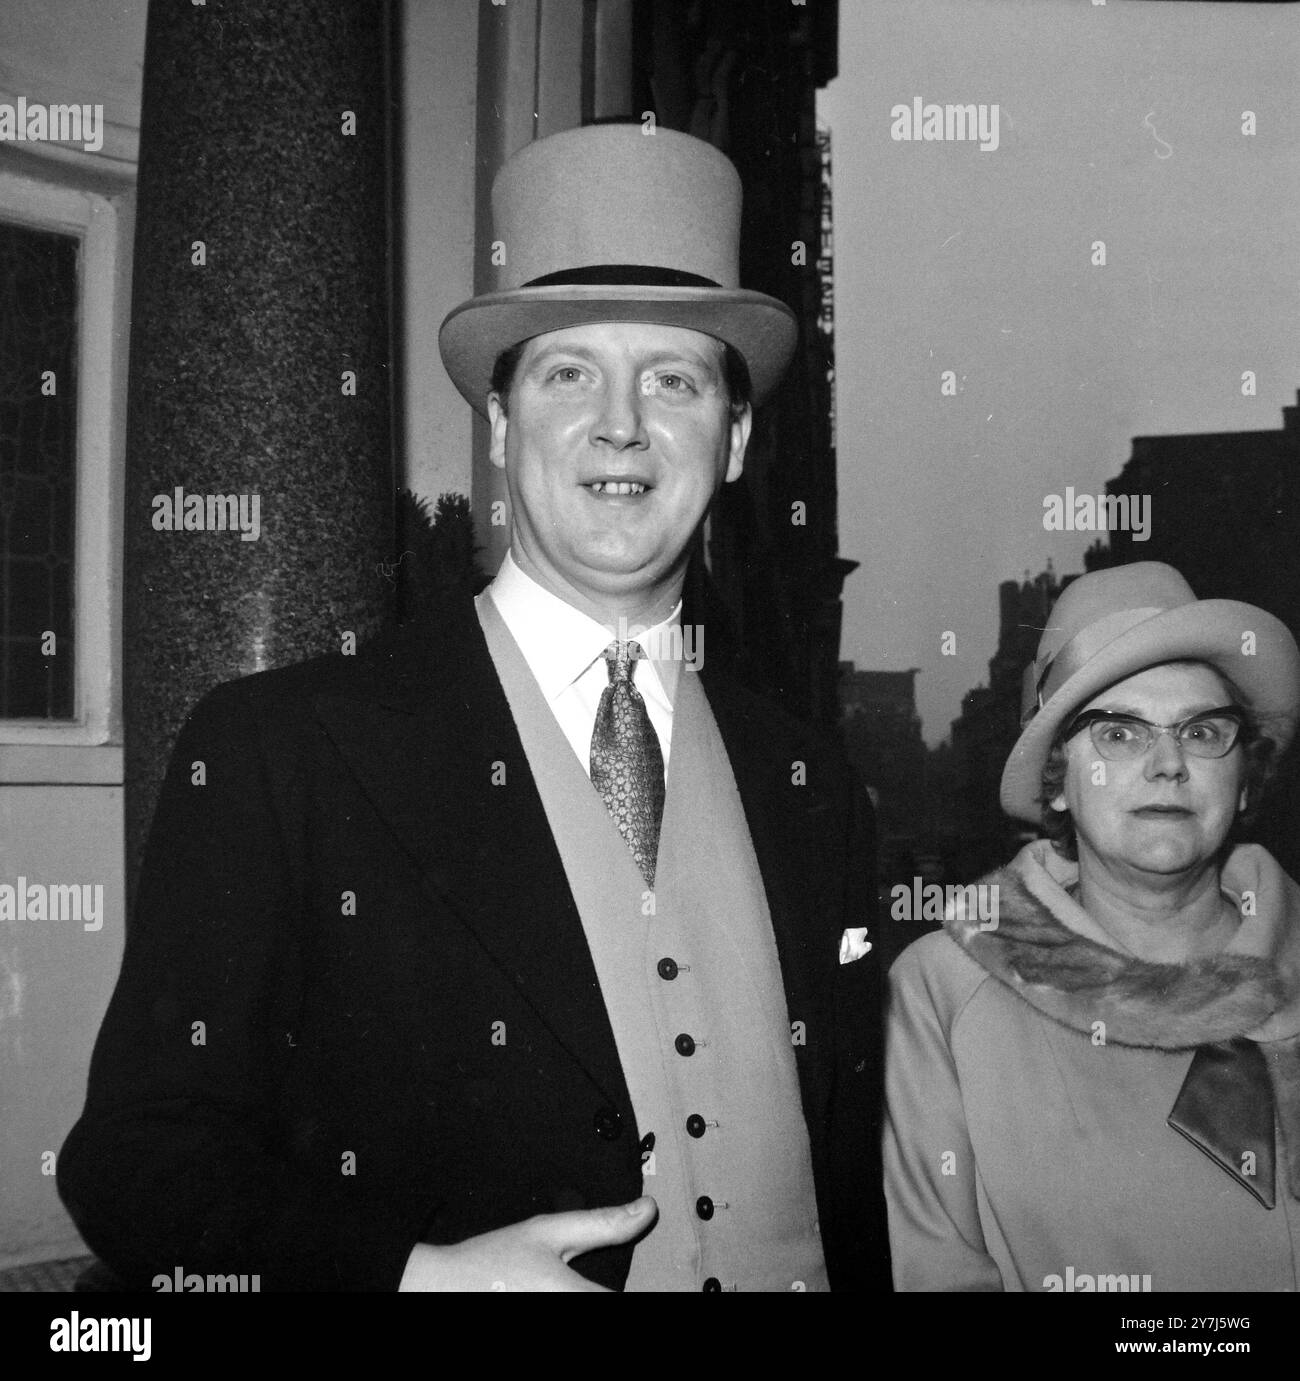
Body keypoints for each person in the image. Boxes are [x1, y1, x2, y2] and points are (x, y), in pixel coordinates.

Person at [59, 124, 889, 1292]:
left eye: (674, 378)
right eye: (567, 373)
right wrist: (412, 1277)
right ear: (500, 429)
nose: (621, 424)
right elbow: (134, 1163)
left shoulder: (812, 788)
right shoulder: (281, 751)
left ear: (736, 439)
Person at [884, 561, 1300, 1292]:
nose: (1168, 764)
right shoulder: (945, 991)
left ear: (1243, 781)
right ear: (1059, 780)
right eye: (1119, 733)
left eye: (1203, 731)